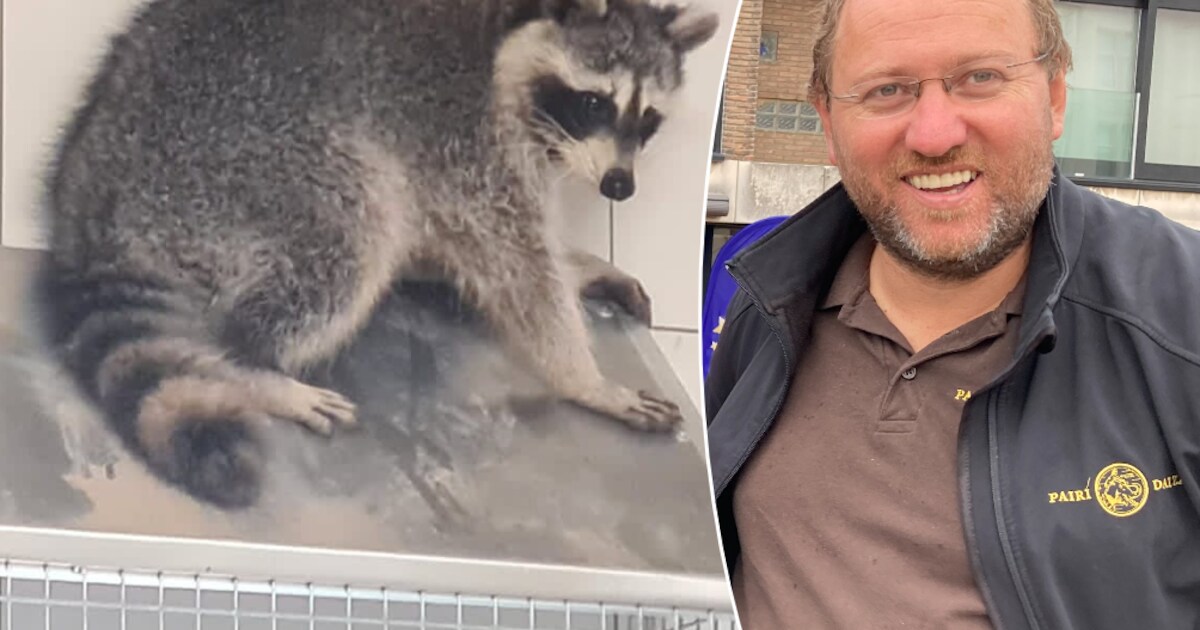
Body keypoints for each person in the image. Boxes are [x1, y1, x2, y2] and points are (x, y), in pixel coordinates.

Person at [704, 0, 1200, 628]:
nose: (934, 135)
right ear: (828, 123)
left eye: (980, 78)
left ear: (1053, 98)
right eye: (887, 89)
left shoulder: (1182, 315)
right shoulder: (770, 298)